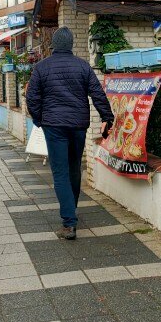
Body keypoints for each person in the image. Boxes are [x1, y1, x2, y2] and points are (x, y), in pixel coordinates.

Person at [25, 28, 114, 240]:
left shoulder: (41, 67)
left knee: (60, 172)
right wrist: (106, 118)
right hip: (77, 125)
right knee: (74, 167)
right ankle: (70, 210)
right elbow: (97, 93)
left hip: (54, 126)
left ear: (53, 45)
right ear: (71, 44)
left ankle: (69, 222)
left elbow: (32, 97)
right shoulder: (83, 66)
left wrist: (39, 119)